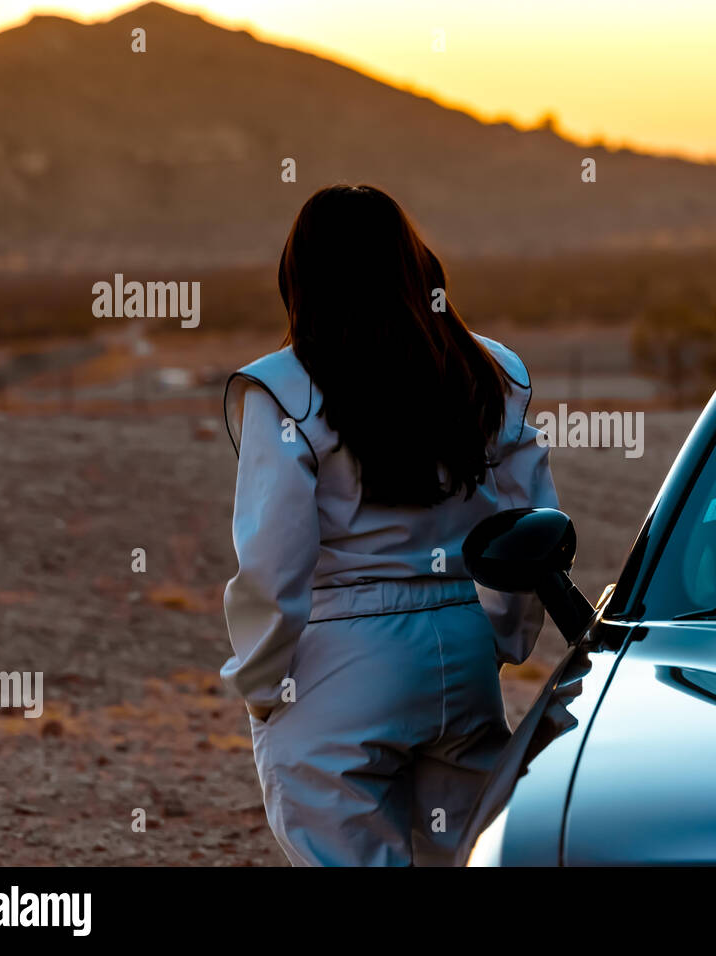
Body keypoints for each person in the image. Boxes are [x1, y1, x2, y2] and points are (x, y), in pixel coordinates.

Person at [220, 184, 556, 865]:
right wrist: (502, 639)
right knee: (464, 856)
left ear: (300, 274)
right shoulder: (489, 373)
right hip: (460, 655)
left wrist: (261, 685)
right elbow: (530, 530)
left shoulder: (282, 388)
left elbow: (274, 561)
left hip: (340, 660)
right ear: (414, 263)